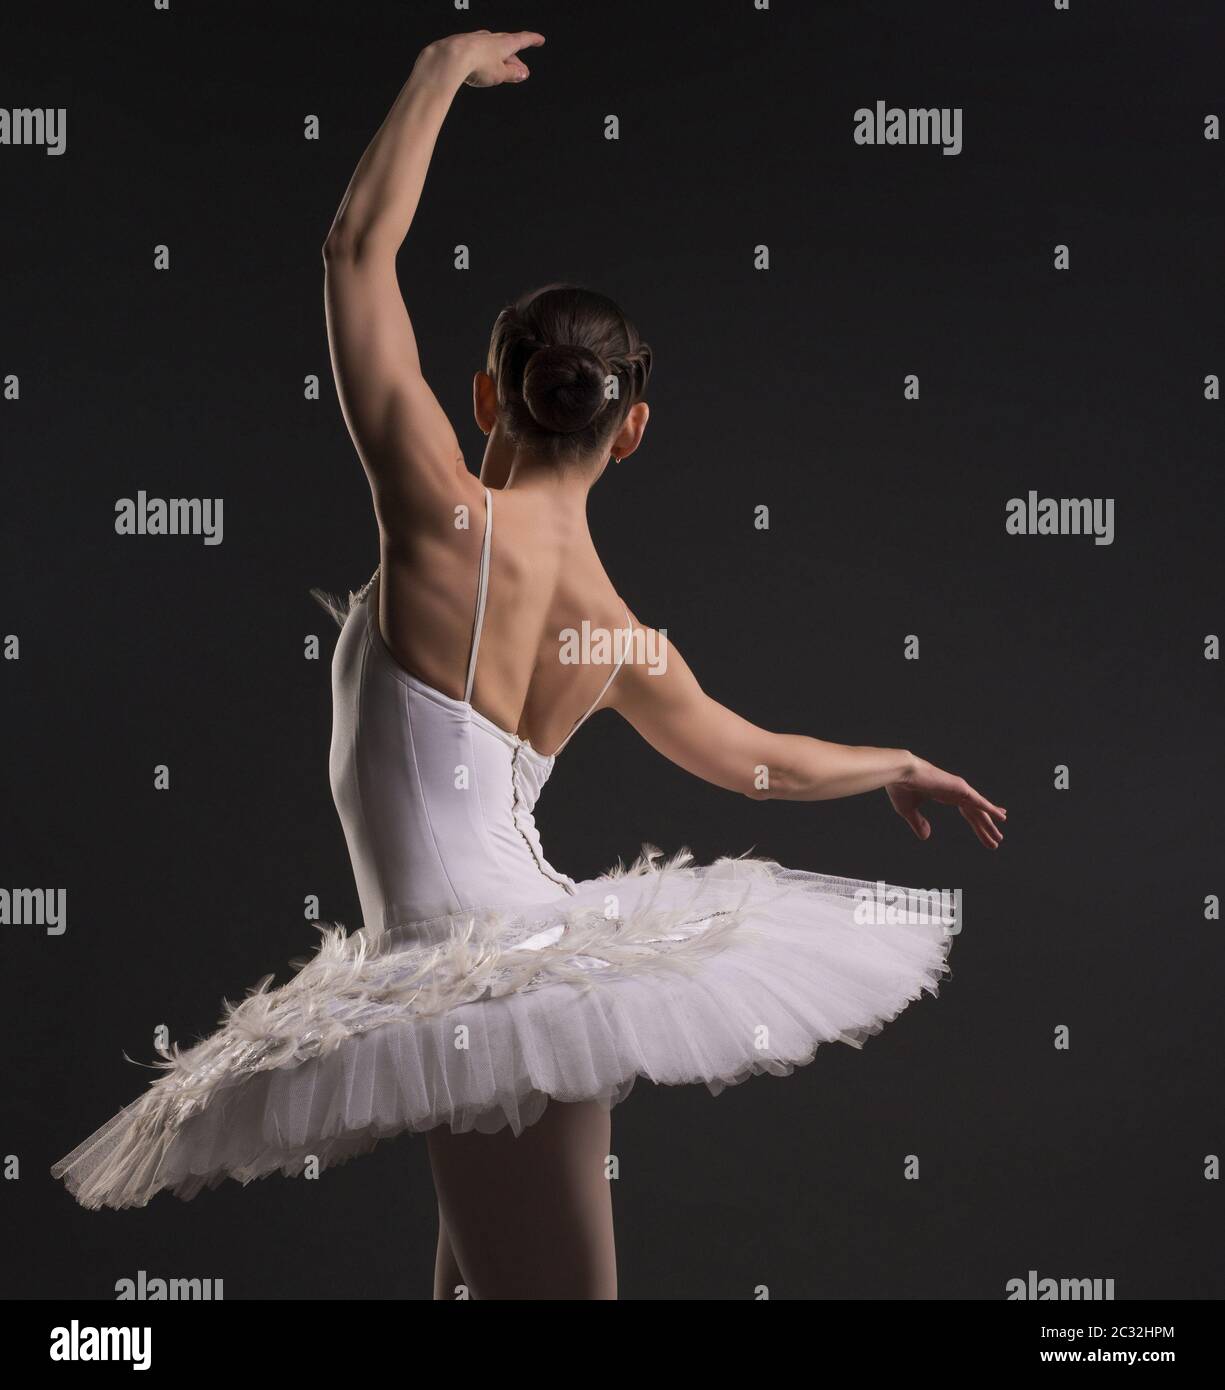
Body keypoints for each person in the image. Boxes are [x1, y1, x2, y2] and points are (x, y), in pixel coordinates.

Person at [51, 30, 1006, 1301]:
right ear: (634, 433)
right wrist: (894, 757)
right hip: (504, 969)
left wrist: (439, 69)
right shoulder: (615, 637)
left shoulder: (436, 517)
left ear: (487, 398)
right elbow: (758, 766)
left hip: (483, 979)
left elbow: (353, 252)